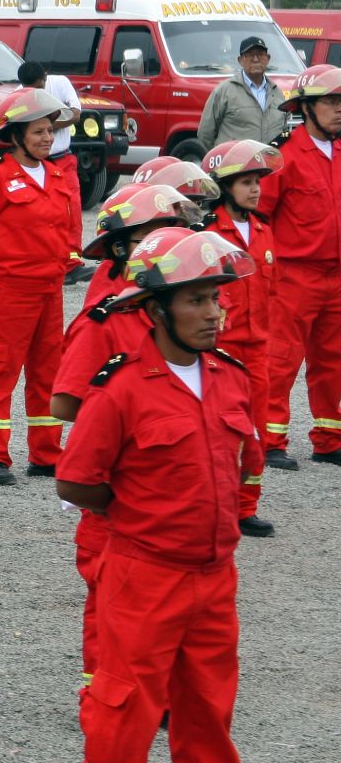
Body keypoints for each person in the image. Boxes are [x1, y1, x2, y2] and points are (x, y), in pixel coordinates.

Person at [56, 226, 284, 763]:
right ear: (157, 311)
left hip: (215, 576)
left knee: (208, 711)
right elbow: (79, 481)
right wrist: (140, 522)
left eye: (218, 299)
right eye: (198, 301)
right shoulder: (124, 389)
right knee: (123, 714)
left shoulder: (229, 377)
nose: (215, 313)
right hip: (144, 572)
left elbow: (243, 465)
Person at [49, 181, 205, 698]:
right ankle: (107, 697)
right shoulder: (106, 320)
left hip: (172, 490)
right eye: (156, 234)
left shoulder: (184, 321)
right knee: (110, 591)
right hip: (117, 490)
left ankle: (152, 688)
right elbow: (65, 402)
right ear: (122, 248)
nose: (169, 245)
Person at [0, 87, 78, 485]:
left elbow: (65, 228)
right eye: (37, 132)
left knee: (48, 371)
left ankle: (46, 453)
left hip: (49, 289)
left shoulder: (56, 174)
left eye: (50, 130)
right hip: (9, 289)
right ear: (15, 137)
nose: (47, 138)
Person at [256, 64, 341, 469]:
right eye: (330, 101)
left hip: (337, 276)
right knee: (281, 359)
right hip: (293, 275)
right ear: (306, 108)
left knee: (333, 359)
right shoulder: (283, 156)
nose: (339, 109)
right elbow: (260, 217)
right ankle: (271, 440)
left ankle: (328, 438)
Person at [203, 139, 284, 536]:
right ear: (223, 186)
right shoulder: (204, 234)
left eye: (258, 181)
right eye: (246, 182)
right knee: (214, 432)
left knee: (256, 429)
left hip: (257, 348)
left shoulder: (264, 232)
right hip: (219, 350)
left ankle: (245, 507)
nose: (255, 189)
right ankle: (209, 507)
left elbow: (271, 292)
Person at [18, 59, 85, 229]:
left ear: (45, 77)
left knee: (73, 206)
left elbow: (75, 114)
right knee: (41, 211)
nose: (35, 93)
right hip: (34, 163)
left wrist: (42, 127)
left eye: (39, 88)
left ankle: (73, 253)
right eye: (30, 89)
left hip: (63, 159)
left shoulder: (60, 83)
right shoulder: (17, 95)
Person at [198, 36, 289, 149]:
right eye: (250, 55)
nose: (255, 59)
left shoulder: (277, 93)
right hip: (234, 165)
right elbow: (205, 134)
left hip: (269, 164)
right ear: (240, 60)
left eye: (260, 54)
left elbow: (284, 132)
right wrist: (223, 158)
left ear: (268, 58)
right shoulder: (224, 91)